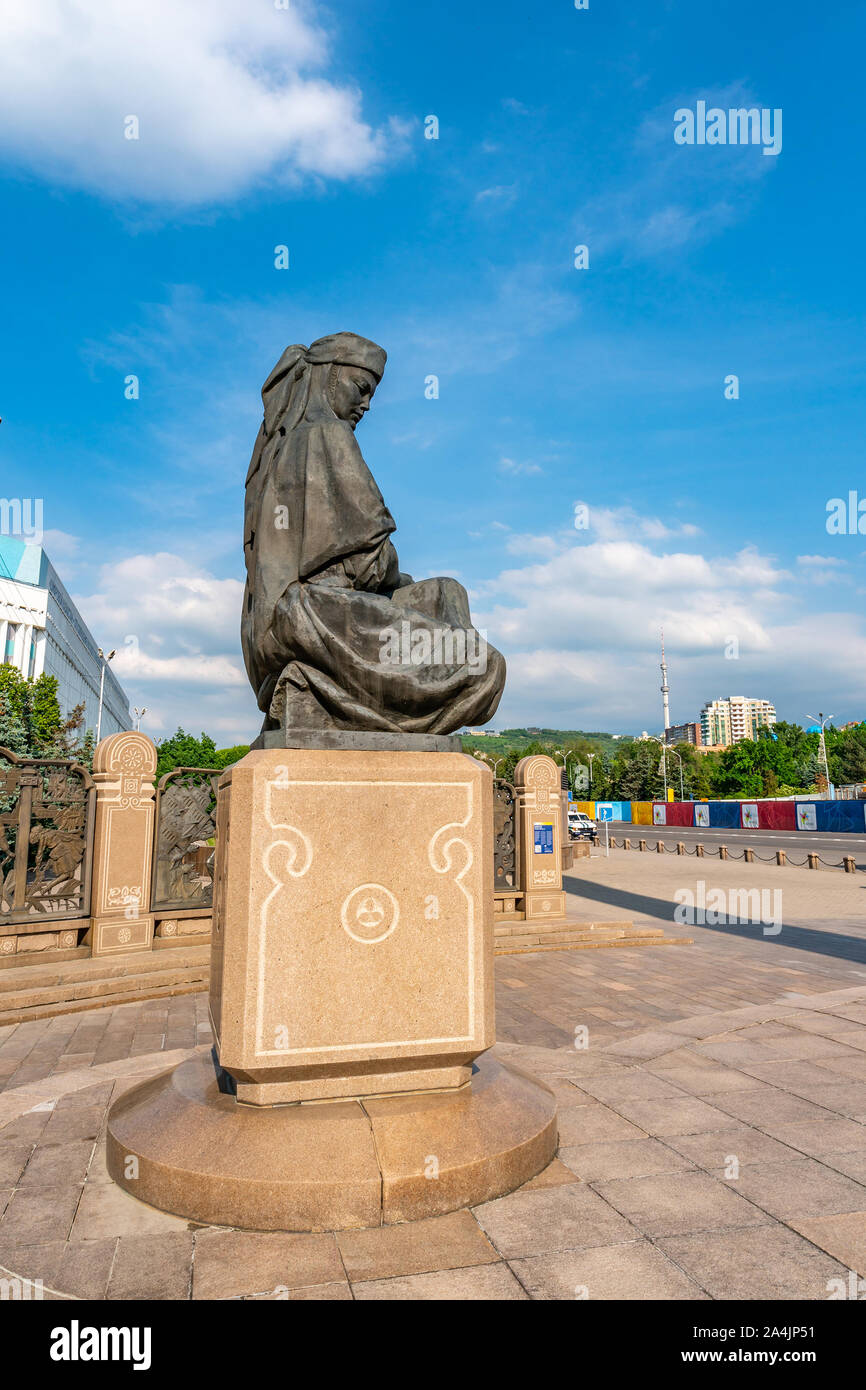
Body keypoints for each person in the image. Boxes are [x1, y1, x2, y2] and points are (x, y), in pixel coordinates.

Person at [241, 332, 505, 739]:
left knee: (446, 598)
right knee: (481, 661)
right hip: (314, 613)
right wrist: (396, 575)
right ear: (329, 375)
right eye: (360, 388)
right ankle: (364, 714)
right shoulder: (328, 435)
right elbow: (373, 564)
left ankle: (320, 697)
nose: (365, 405)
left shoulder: (284, 445)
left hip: (280, 627)